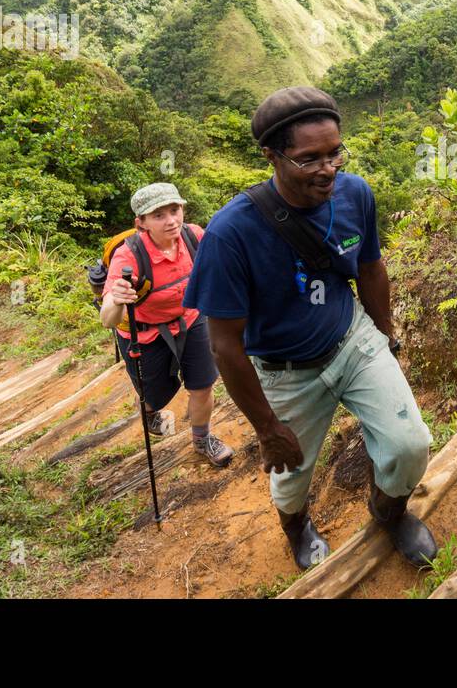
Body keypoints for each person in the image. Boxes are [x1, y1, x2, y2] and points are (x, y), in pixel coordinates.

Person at [183, 86, 436, 571]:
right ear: (272, 156)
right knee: (291, 475)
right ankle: (297, 526)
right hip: (285, 370)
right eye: (309, 159)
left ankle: (389, 513)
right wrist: (267, 427)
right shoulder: (230, 234)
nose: (328, 168)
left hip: (352, 339)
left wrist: (383, 332)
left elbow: (370, 268)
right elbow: (225, 346)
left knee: (410, 444)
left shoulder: (355, 193)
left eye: (334, 152)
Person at [101, 182, 233, 468]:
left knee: (203, 385)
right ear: (142, 223)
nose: (171, 220)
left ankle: (202, 440)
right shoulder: (130, 255)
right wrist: (117, 301)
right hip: (145, 334)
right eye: (159, 215)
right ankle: (150, 412)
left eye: (175, 210)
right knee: (155, 395)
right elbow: (107, 319)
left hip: (190, 319)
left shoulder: (194, 237)